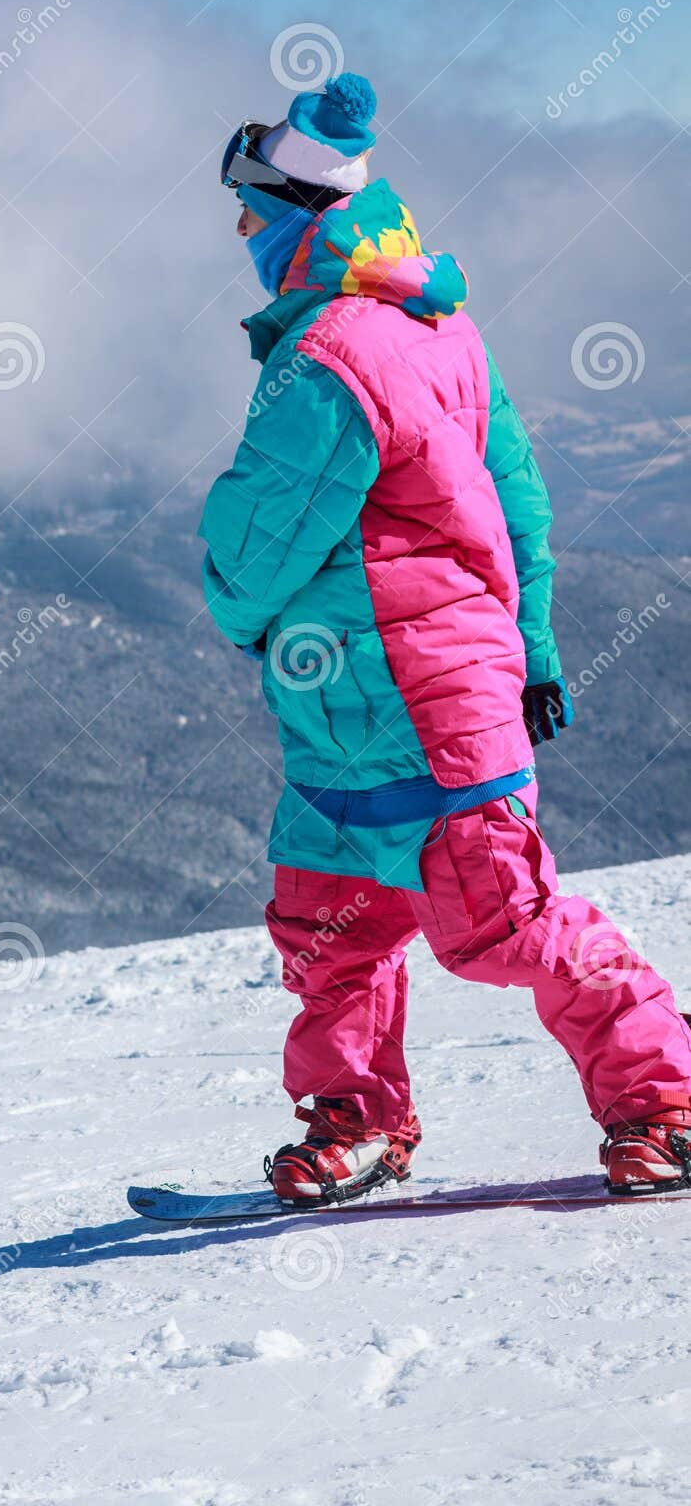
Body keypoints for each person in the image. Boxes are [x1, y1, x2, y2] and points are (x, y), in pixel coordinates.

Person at [200, 72, 691, 1203]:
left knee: (495, 922)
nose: (236, 227)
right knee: (331, 920)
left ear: (294, 213)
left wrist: (233, 606)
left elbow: (251, 549)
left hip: (417, 701)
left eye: (248, 203)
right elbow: (512, 492)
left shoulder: (325, 359)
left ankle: (666, 1092)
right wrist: (533, 636)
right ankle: (356, 1117)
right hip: (362, 702)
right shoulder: (437, 323)